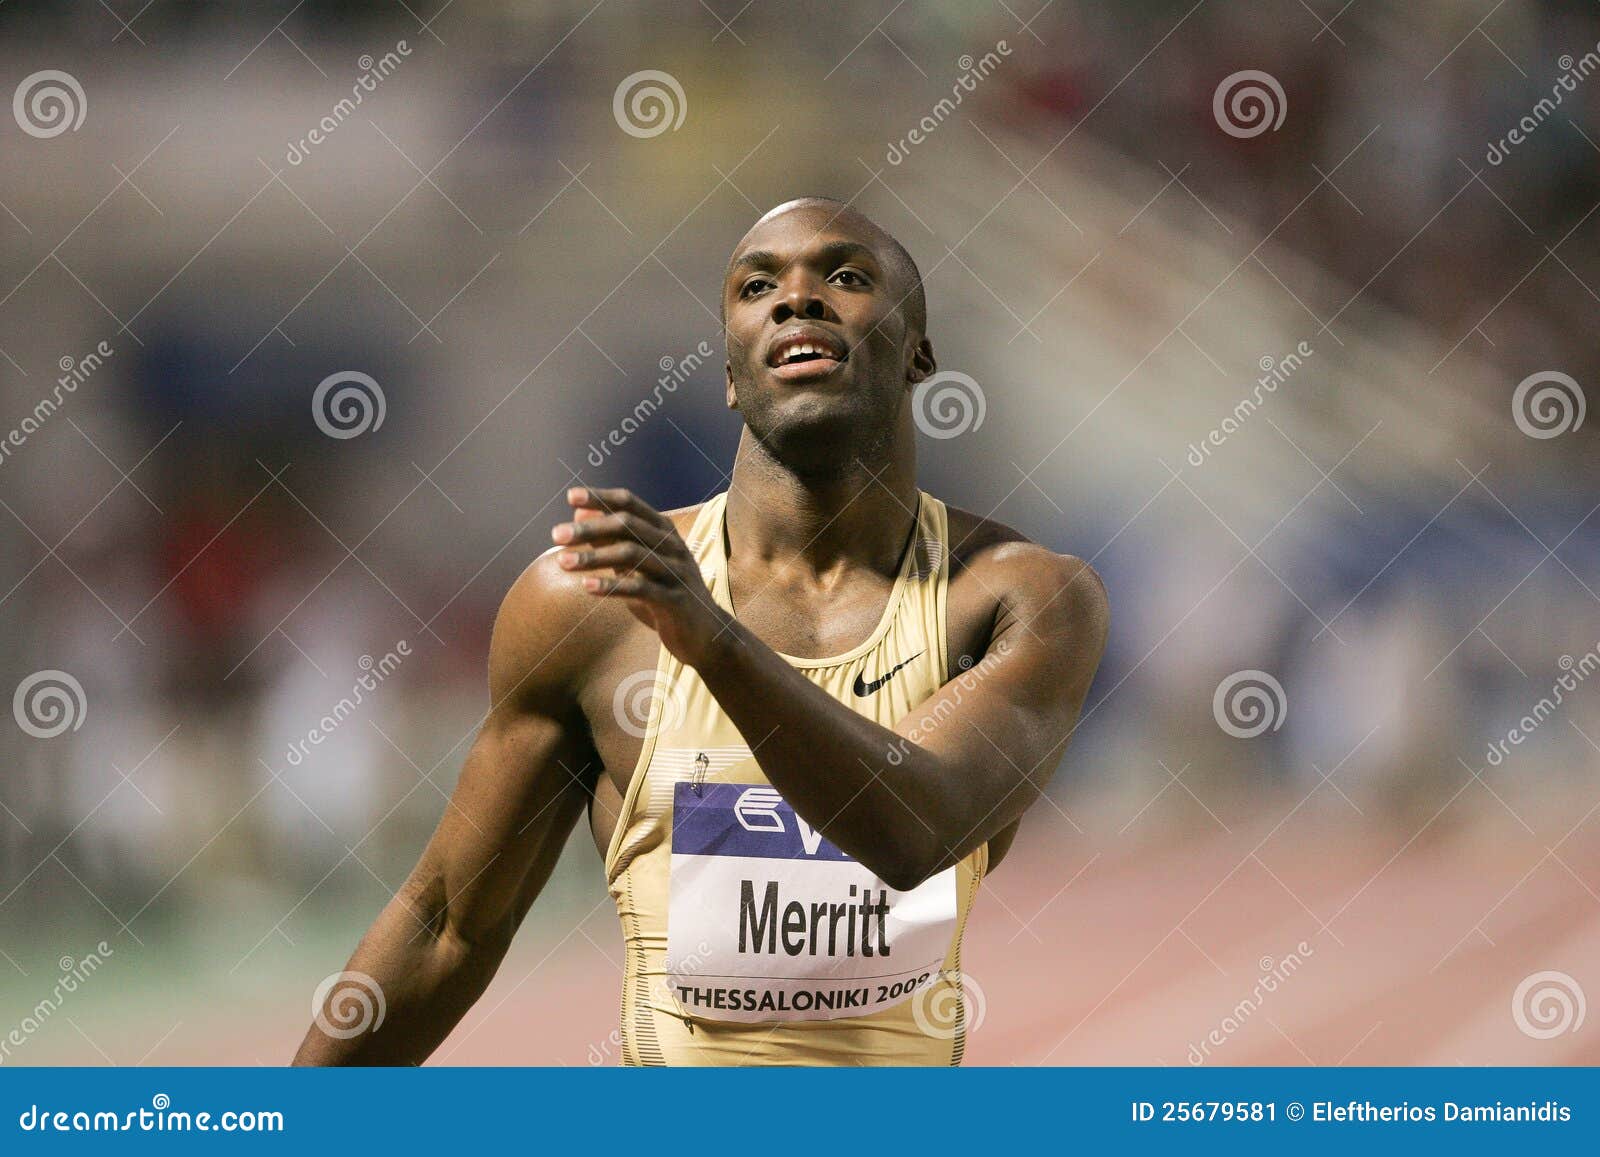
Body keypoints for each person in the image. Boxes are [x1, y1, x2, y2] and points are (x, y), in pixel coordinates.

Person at [292, 197, 1109, 1066]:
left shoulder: (1022, 597)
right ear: (729, 372)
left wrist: (713, 638)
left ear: (919, 351)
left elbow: (912, 832)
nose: (798, 298)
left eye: (846, 276)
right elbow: (447, 928)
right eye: (759, 285)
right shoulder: (593, 607)